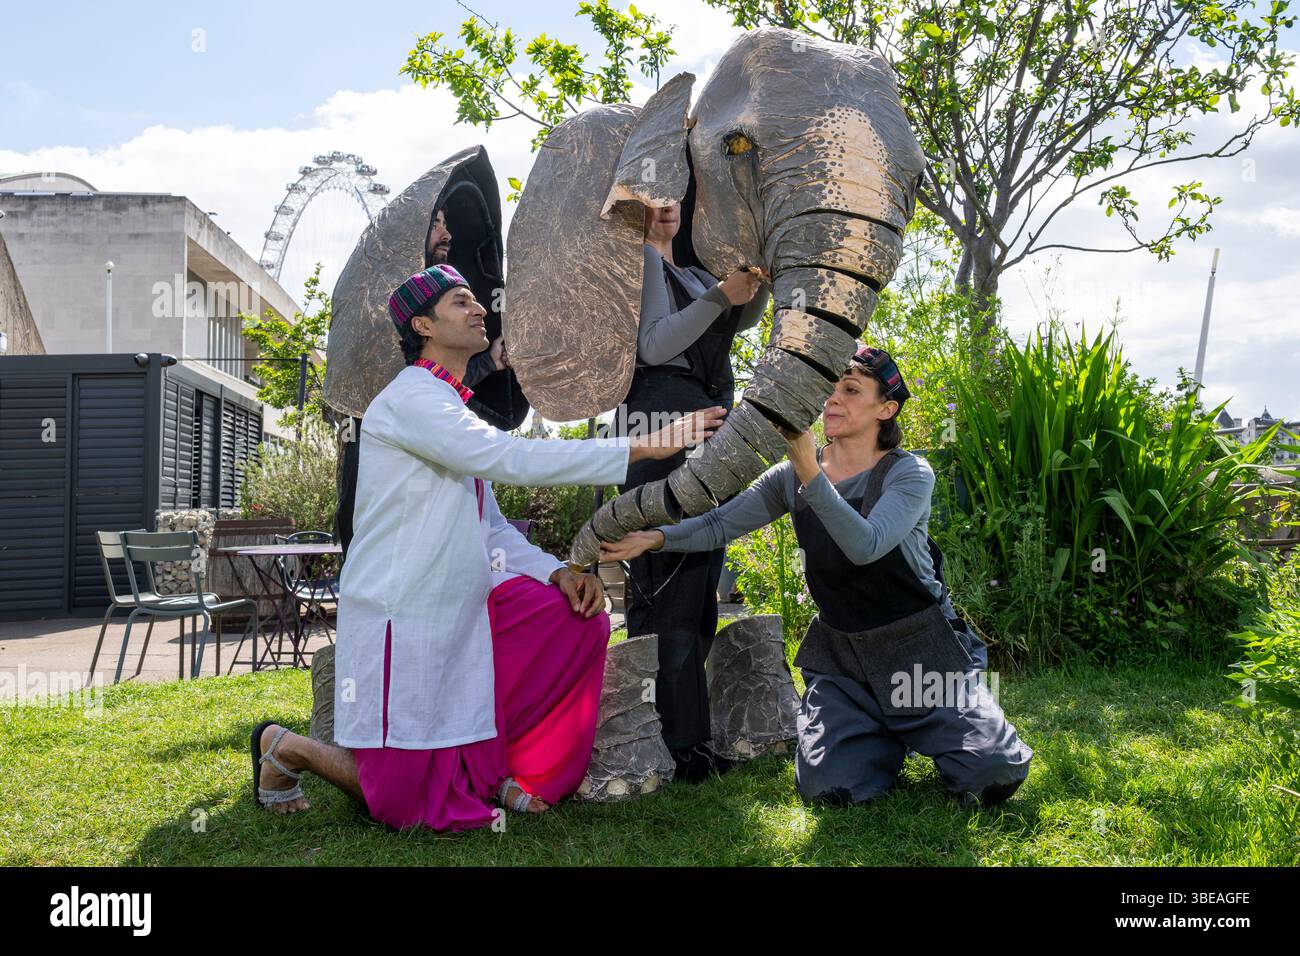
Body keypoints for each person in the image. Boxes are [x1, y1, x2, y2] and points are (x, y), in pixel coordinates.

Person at [252, 264, 725, 830]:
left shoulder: (451, 405)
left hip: (461, 603)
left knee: (571, 618)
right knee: (405, 805)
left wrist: (558, 572)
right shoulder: (412, 400)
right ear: (423, 324)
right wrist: (641, 448)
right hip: (402, 613)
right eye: (459, 302)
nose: (479, 309)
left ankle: (497, 768)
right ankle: (284, 747)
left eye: (476, 300)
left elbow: (491, 525)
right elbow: (513, 459)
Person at [601, 345, 1032, 807]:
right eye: (829, 390)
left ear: (886, 409)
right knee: (829, 790)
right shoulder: (788, 479)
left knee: (992, 771)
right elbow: (719, 524)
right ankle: (875, 734)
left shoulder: (909, 474)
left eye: (850, 390)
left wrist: (810, 471)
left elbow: (865, 546)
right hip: (844, 661)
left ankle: (925, 724)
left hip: (920, 653)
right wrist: (655, 538)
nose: (832, 399)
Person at [615, 201, 770, 782]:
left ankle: (690, 738)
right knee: (669, 578)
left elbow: (742, 315)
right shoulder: (644, 263)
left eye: (672, 197)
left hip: (703, 420)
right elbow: (653, 346)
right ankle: (673, 745)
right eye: (651, 201)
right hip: (660, 420)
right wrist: (719, 297)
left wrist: (755, 278)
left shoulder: (694, 272)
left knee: (701, 574)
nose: (665, 209)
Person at [334, 207, 506, 561]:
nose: (446, 234)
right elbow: (412, 382)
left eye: (447, 224)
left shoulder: (451, 301)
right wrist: (630, 449)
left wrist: (489, 362)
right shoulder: (386, 302)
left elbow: (441, 378)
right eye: (435, 225)